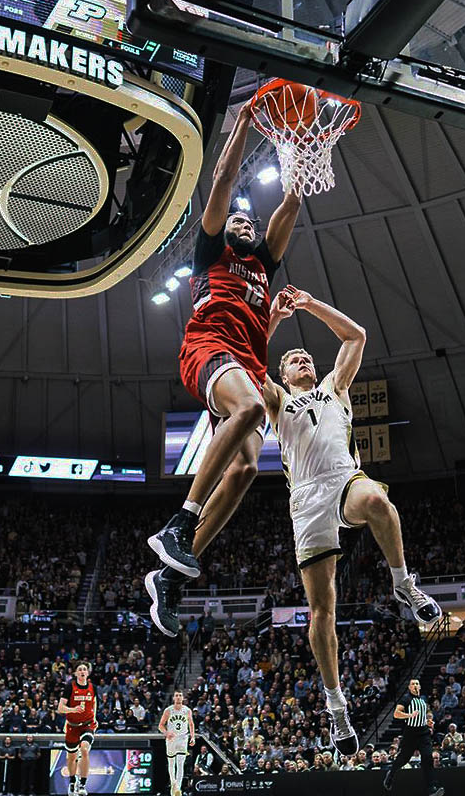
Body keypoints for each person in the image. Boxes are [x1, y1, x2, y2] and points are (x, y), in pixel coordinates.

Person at [144, 103, 303, 637]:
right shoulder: (211, 251)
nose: (243, 221)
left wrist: (299, 152)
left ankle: (169, 577)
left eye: (248, 221)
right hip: (206, 349)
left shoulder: (263, 265)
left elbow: (291, 204)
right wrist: (242, 124)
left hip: (244, 364)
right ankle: (181, 521)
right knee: (255, 405)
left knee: (246, 470)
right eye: (237, 218)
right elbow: (225, 178)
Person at [264, 287, 442, 754]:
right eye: (294, 359)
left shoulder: (333, 387)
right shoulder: (279, 402)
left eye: (306, 356)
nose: (303, 360)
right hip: (305, 501)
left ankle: (404, 584)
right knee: (323, 609)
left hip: (344, 478)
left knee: (380, 503)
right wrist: (276, 319)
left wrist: (307, 303)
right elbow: (244, 362)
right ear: (283, 374)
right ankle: (336, 708)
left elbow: (357, 335)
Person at [384, 680, 442, 796]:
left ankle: (432, 788)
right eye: (413, 684)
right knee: (403, 759)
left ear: (419, 686)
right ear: (409, 687)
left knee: (427, 758)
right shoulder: (406, 699)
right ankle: (390, 776)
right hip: (410, 733)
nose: (415, 685)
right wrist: (409, 715)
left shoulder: (422, 700)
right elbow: (396, 714)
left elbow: (420, 716)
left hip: (423, 733)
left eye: (417, 683)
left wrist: (427, 722)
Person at [56, 663, 97, 796]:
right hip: (72, 726)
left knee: (84, 749)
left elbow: (94, 702)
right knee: (71, 757)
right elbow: (60, 708)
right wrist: (73, 709)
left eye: (84, 669)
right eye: (79, 669)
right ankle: (73, 781)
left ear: (88, 673)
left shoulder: (92, 687)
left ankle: (83, 784)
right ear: (75, 673)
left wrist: (95, 717)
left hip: (87, 724)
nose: (82, 671)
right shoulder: (70, 687)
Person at [158, 692, 195, 796]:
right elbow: (160, 725)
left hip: (183, 738)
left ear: (183, 698)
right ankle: (173, 783)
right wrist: (166, 733)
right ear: (173, 698)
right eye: (176, 695)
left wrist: (192, 737)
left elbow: (191, 724)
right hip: (171, 738)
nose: (178, 697)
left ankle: (178, 788)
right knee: (171, 763)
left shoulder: (187, 710)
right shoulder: (168, 710)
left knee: (180, 764)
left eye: (180, 695)